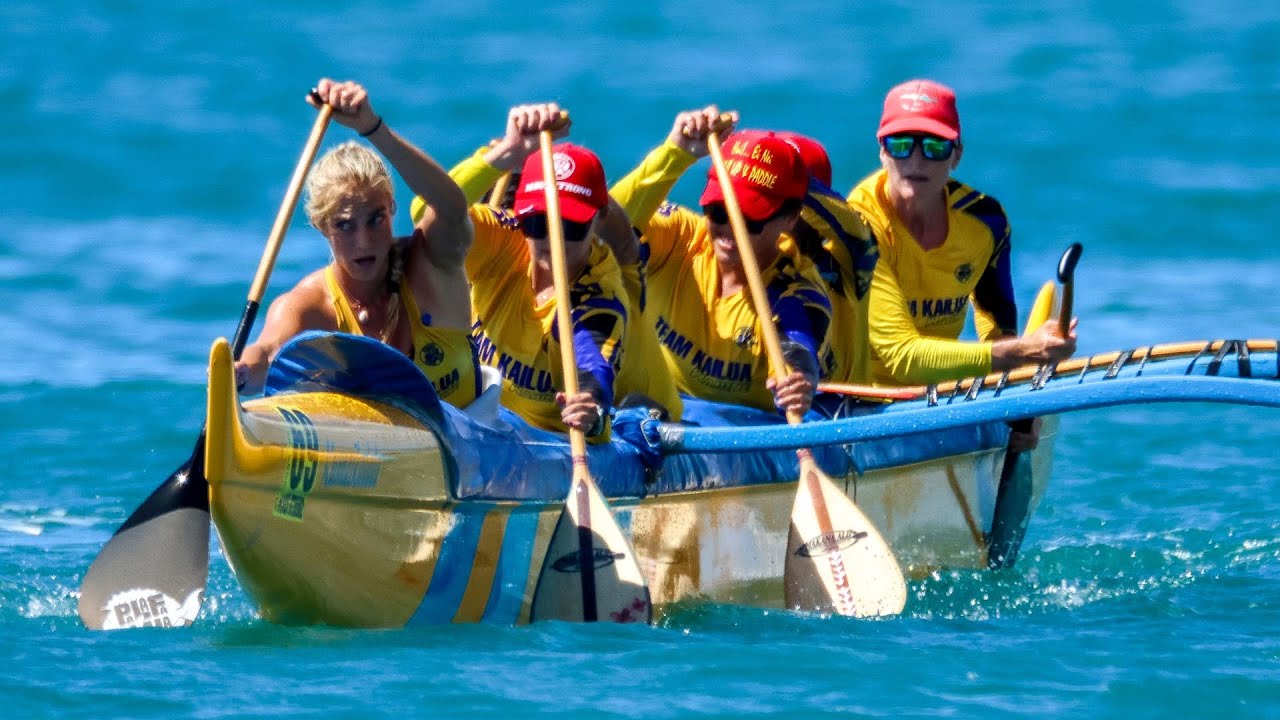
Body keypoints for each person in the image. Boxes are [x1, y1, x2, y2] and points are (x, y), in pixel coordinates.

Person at [234, 78, 479, 408]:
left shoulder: (432, 262)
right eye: (344, 226)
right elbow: (266, 354)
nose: (363, 241)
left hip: (476, 439)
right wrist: (238, 371)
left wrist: (372, 127)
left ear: (392, 207)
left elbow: (452, 207)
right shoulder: (309, 307)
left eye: (375, 219)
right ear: (322, 228)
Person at [412, 104, 628, 439]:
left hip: (548, 440)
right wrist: (504, 154)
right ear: (519, 215)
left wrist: (590, 405)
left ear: (599, 220)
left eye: (569, 226)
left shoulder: (595, 297)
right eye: (538, 222)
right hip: (479, 421)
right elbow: (427, 214)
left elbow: (592, 365)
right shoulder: (502, 238)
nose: (551, 238)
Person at [848, 79, 1076, 387]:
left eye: (934, 147)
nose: (916, 161)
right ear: (882, 153)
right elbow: (903, 358)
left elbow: (998, 331)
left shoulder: (985, 221)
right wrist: (1025, 350)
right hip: (857, 400)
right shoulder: (858, 225)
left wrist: (1020, 412)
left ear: (956, 156)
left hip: (939, 393)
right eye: (900, 144)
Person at [610, 112, 831, 417]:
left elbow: (798, 343)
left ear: (790, 219)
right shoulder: (678, 238)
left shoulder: (794, 290)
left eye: (749, 219)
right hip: (659, 408)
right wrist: (675, 154)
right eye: (718, 211)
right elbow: (602, 231)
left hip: (745, 429)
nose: (729, 229)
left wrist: (799, 379)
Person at [777, 131, 880, 387]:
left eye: (779, 200)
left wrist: (778, 173)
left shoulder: (848, 260)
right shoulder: (746, 260)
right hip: (774, 411)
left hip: (847, 412)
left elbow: (851, 228)